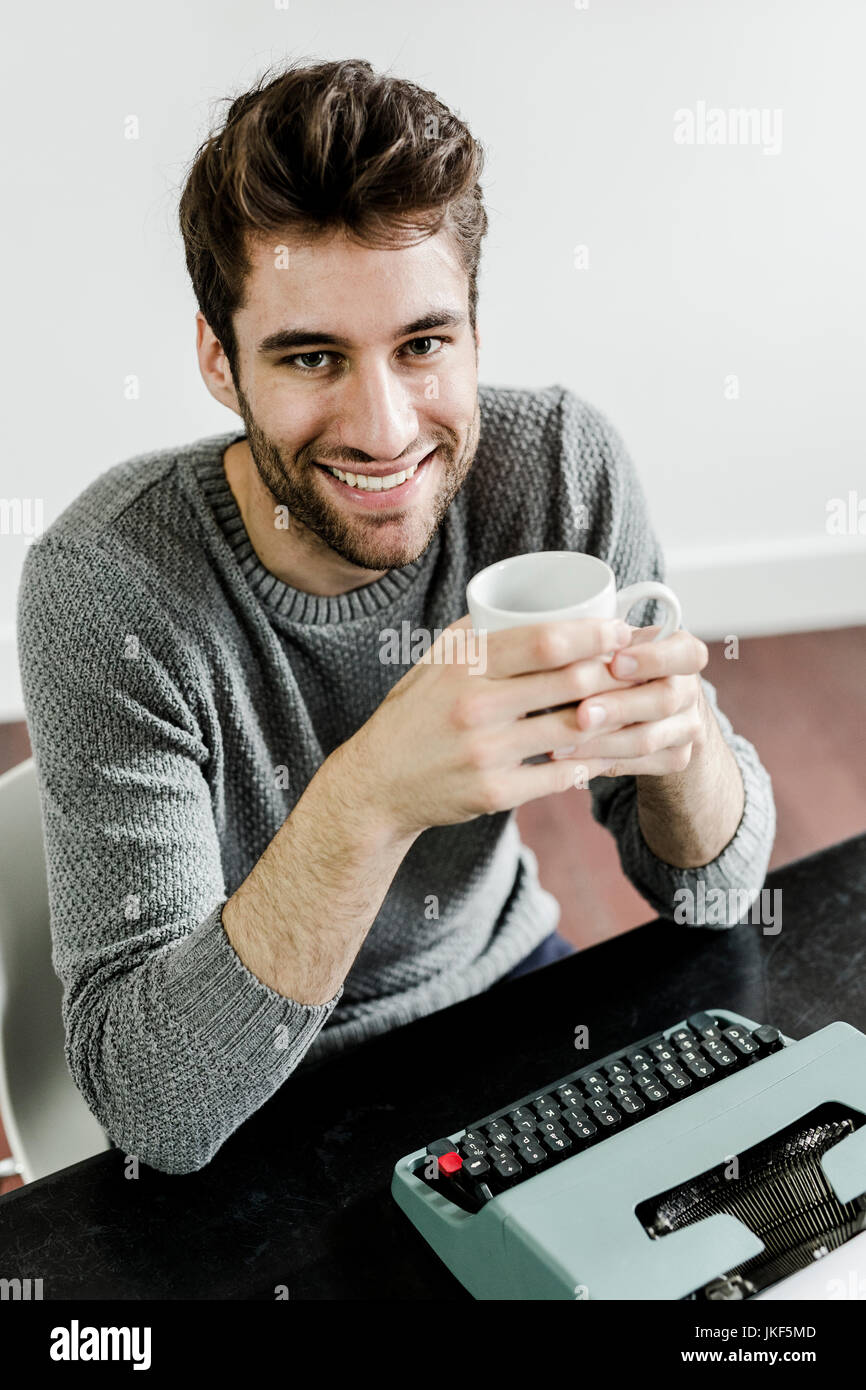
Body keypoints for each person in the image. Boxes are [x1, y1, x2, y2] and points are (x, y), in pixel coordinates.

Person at [16, 58, 775, 1175]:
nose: (384, 429)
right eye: (311, 356)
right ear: (217, 363)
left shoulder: (556, 472)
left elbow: (709, 894)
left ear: (473, 330)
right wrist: (371, 797)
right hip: (252, 1111)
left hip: (506, 1001)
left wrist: (684, 740)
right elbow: (155, 1109)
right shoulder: (105, 586)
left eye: (423, 345)